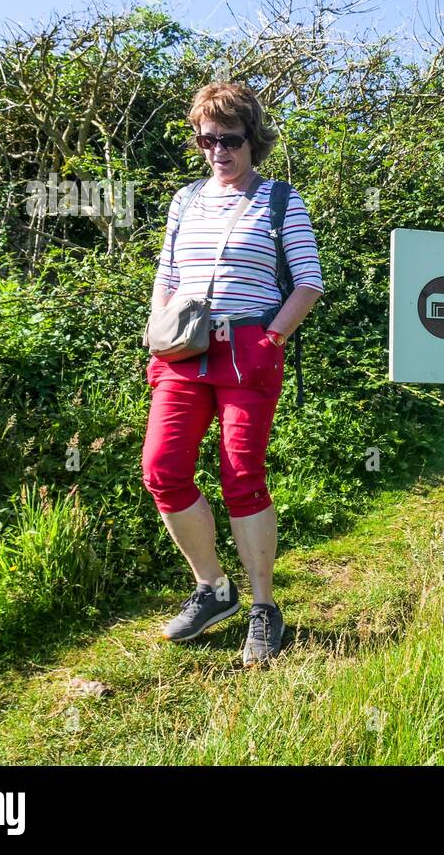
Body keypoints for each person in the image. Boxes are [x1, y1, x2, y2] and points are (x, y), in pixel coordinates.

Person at [141, 81, 324, 666]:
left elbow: (309, 282)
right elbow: (167, 275)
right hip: (183, 350)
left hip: (248, 346)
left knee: (241, 472)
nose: (217, 150)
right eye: (206, 139)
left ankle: (264, 608)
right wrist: (157, 332)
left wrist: (272, 338)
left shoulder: (278, 201)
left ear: (253, 140)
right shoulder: (185, 201)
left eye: (229, 139)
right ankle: (213, 589)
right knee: (162, 469)